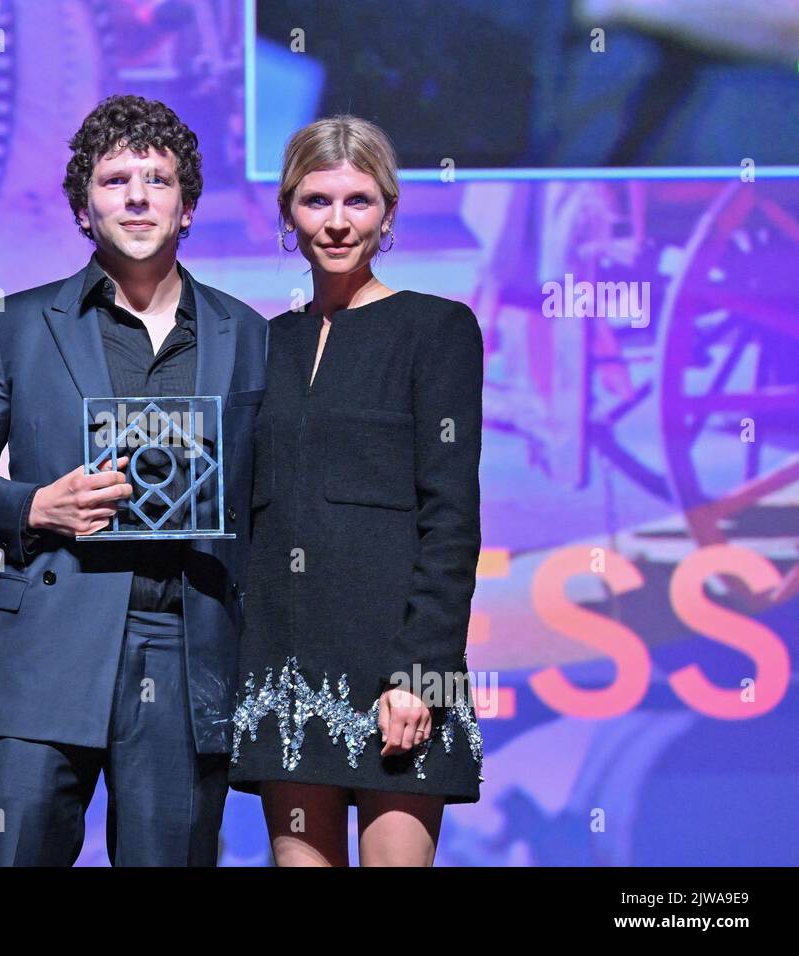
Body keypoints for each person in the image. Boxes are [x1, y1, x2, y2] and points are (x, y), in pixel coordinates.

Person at [0, 93, 268, 866]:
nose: (137, 196)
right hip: (49, 643)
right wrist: (34, 503)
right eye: (114, 180)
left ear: (187, 208)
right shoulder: (18, 323)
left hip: (186, 643)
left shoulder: (249, 334)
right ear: (82, 209)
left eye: (158, 180)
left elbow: (272, 500)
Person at [228, 114, 484, 867]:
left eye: (358, 201)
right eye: (316, 201)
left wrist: (422, 677)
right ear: (287, 213)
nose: (337, 223)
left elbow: (453, 520)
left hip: (398, 674)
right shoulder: (261, 344)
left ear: (389, 211)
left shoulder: (436, 329)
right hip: (284, 671)